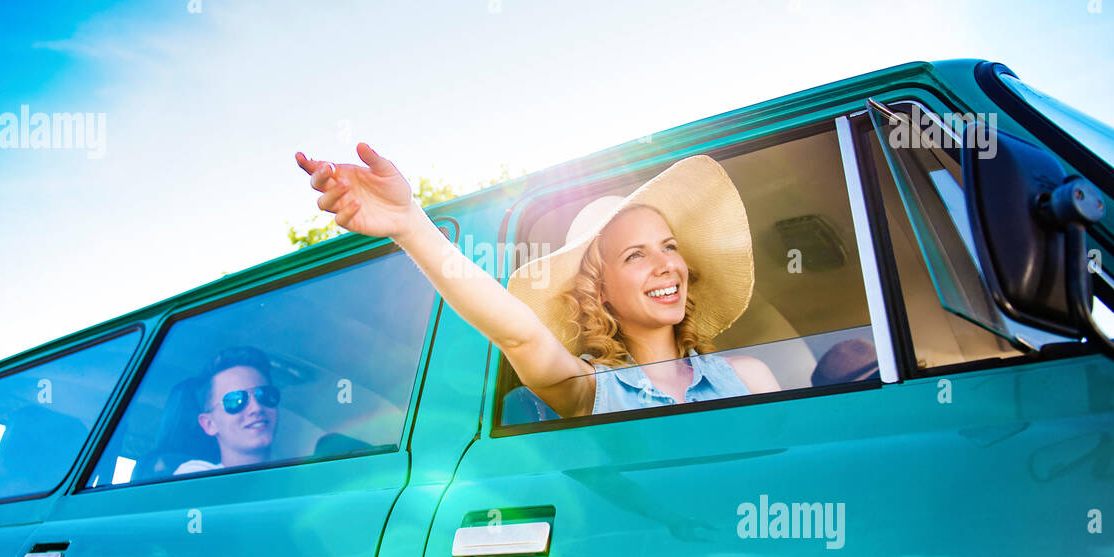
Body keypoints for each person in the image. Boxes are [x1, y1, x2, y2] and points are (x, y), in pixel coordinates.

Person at [295, 143, 779, 419]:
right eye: (636, 255)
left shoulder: (750, 377)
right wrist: (410, 225)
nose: (665, 265)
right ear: (600, 290)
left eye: (669, 246)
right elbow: (517, 332)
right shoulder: (595, 390)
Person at [173, 346, 280, 475]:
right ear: (209, 424)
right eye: (235, 401)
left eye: (264, 395)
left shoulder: (299, 476)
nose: (256, 408)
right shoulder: (195, 478)